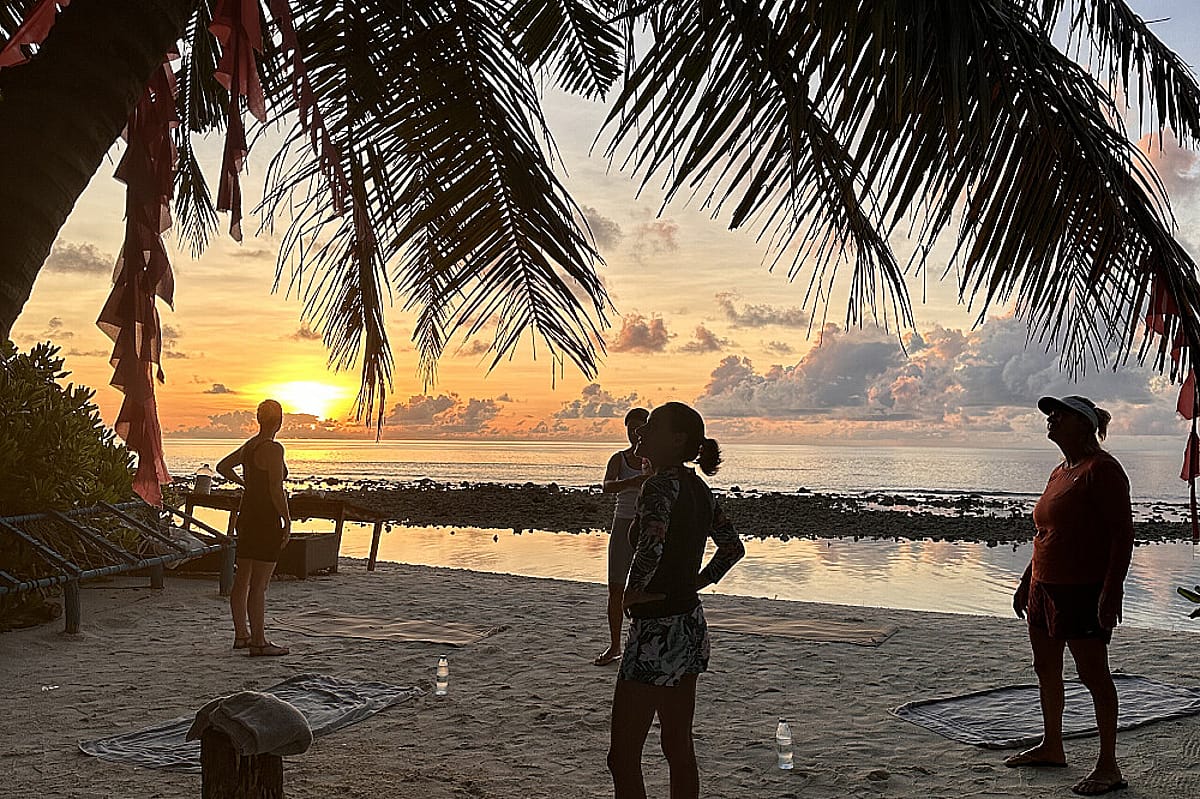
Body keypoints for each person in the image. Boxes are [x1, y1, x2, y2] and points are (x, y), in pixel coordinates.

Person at [608, 402, 745, 799]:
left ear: (676, 439)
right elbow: (732, 548)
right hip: (689, 625)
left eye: (651, 427)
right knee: (677, 747)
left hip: (657, 630)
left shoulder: (660, 485)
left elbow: (651, 542)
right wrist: (697, 582)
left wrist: (633, 591)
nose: (642, 433)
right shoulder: (699, 489)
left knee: (623, 756)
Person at [1005, 395, 1133, 797]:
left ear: (1083, 423)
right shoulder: (1060, 471)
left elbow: (1121, 534)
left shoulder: (1103, 469)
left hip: (1082, 588)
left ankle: (1108, 765)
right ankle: (1052, 746)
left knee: (1094, 675)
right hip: (1045, 587)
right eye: (1050, 415)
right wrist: (1028, 579)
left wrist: (1112, 590)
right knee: (1045, 669)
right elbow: (1045, 534)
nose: (1052, 420)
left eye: (1059, 415)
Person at [217, 399, 292, 657]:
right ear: (279, 421)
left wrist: (244, 483)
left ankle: (242, 635)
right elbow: (275, 488)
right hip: (264, 517)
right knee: (259, 583)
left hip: (247, 514)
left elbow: (222, 466)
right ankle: (259, 642)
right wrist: (286, 518)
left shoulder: (250, 446)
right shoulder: (273, 448)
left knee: (243, 579)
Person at [595, 407, 652, 667]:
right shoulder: (619, 459)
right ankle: (615, 645)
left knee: (648, 588)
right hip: (622, 523)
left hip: (650, 526)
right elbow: (606, 486)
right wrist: (633, 482)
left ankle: (642, 645)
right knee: (615, 587)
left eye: (640, 429)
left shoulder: (655, 459)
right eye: (631, 429)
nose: (635, 434)